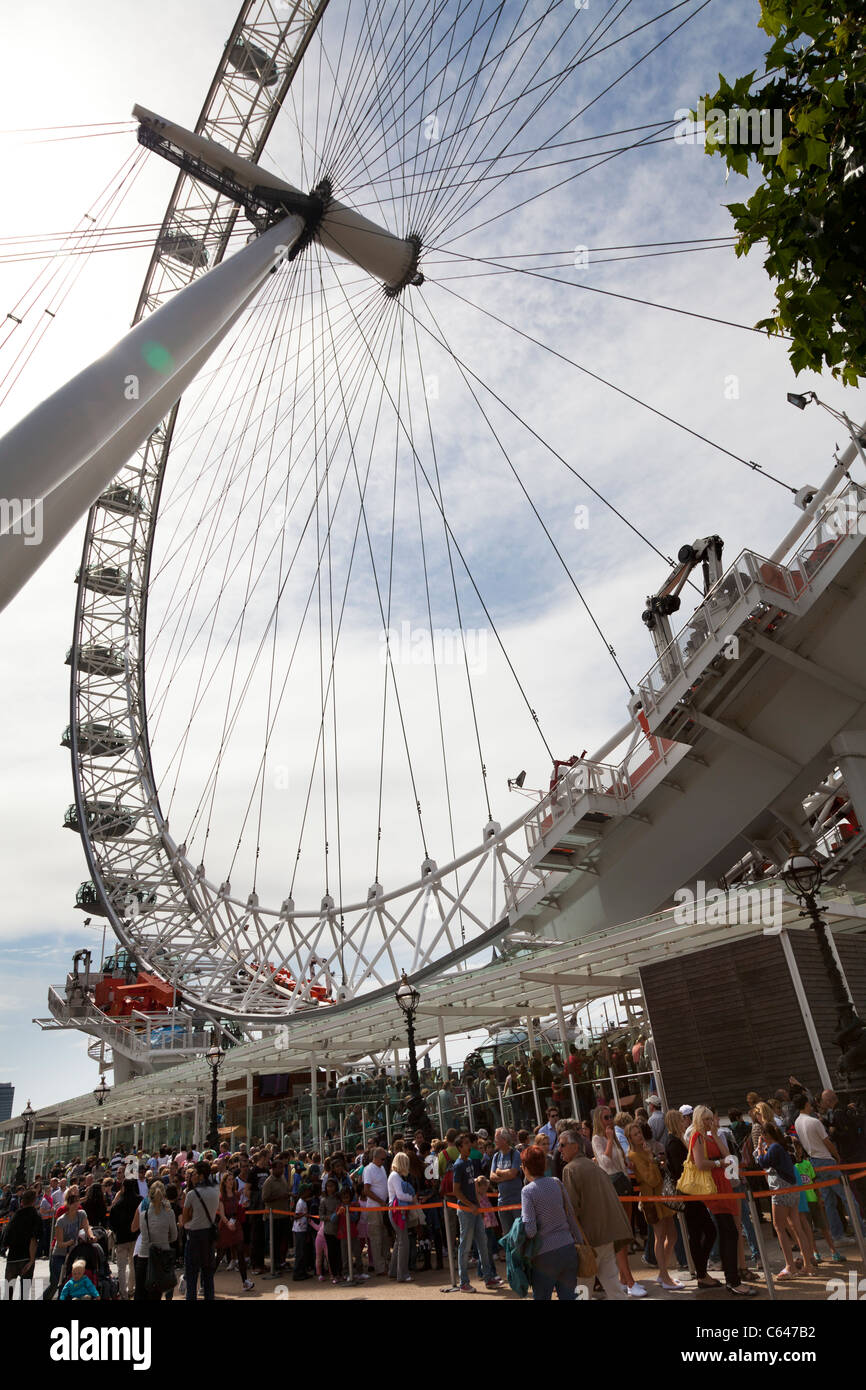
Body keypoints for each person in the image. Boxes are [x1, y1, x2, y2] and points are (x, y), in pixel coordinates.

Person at [688, 1105, 756, 1297]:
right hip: (714, 1188)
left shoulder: (709, 1136)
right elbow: (700, 1163)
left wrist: (716, 1134)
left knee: (731, 1232)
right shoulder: (697, 1137)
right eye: (707, 1119)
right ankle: (733, 1280)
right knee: (729, 1231)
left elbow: (728, 1156)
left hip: (723, 1185)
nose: (710, 1122)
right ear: (699, 1120)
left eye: (712, 1119)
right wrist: (718, 1163)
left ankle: (733, 1279)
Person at [755, 1123, 818, 1278]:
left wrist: (759, 1149)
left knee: (779, 1227)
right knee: (796, 1226)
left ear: (766, 1135)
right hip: (792, 1190)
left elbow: (763, 1162)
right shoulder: (779, 1147)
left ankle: (790, 1266)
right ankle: (807, 1265)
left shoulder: (774, 1148)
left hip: (781, 1190)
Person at [626, 1122, 684, 1291]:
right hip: (651, 1198)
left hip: (662, 1196)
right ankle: (664, 1275)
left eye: (639, 1132)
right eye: (635, 1134)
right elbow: (651, 1179)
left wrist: (656, 1161)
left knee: (672, 1235)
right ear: (630, 1138)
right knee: (660, 1236)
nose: (639, 1135)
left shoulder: (644, 1149)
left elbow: (657, 1173)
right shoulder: (634, 1155)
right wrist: (652, 1160)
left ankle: (662, 1272)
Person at [664, 1108, 718, 1289]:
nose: (684, 1121)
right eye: (680, 1119)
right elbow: (682, 1169)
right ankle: (702, 1273)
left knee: (701, 1232)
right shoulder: (674, 1143)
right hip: (688, 1193)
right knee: (704, 1231)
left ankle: (702, 1272)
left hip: (691, 1193)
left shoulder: (679, 1140)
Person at [519, 1144, 582, 1300]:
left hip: (544, 1254)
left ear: (526, 1167)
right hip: (568, 1248)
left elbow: (531, 1230)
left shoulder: (527, 1191)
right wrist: (579, 1243)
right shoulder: (556, 1182)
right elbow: (571, 1215)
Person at [453, 1133, 500, 1293]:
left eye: (468, 1143)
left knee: (483, 1243)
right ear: (460, 1147)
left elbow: (472, 1187)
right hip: (466, 1211)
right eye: (465, 1143)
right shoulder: (458, 1165)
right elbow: (456, 1191)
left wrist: (478, 1205)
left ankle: (488, 1277)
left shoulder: (471, 1162)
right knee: (465, 1247)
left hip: (475, 1209)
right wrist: (470, 1205)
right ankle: (464, 1282)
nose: (469, 1145)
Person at [132, 1181, 178, 1301]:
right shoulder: (170, 1213)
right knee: (156, 1295)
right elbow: (174, 1236)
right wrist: (163, 1239)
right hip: (162, 1257)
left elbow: (146, 1239)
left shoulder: (144, 1215)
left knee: (140, 1292)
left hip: (144, 1256)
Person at [44, 1189, 93, 1301]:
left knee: (67, 1282)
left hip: (71, 1254)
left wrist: (91, 1236)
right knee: (56, 1283)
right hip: (59, 1254)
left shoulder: (81, 1214)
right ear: (69, 1204)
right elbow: (60, 1243)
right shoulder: (61, 1220)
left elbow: (87, 1227)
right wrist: (69, 1242)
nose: (77, 1204)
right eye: (74, 1202)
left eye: (78, 1201)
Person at [180, 1161, 218, 1301]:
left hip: (195, 1234)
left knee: (192, 1274)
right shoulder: (215, 1191)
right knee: (208, 1274)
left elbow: (184, 1219)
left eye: (195, 1173)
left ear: (201, 1175)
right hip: (209, 1234)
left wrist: (192, 1215)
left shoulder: (192, 1194)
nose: (193, 1176)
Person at [216, 1172, 254, 1291]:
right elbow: (221, 1214)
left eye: (232, 1179)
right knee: (220, 1254)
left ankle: (245, 1282)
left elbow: (237, 1208)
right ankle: (204, 1282)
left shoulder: (237, 1194)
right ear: (224, 1182)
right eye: (229, 1180)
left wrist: (242, 1206)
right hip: (225, 1226)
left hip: (236, 1225)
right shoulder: (221, 1196)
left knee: (240, 1252)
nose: (231, 1182)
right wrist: (228, 1224)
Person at [3, 1188, 41, 1299]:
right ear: (34, 1201)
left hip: (13, 1258)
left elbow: (6, 1240)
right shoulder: (35, 1216)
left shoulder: (15, 1216)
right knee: (25, 1293)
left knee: (8, 1293)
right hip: (26, 1257)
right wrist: (31, 1260)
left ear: (22, 1201)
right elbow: (33, 1239)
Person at [108, 1178, 141, 1300]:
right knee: (133, 1265)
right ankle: (131, 1288)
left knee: (121, 1267)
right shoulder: (140, 1201)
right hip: (136, 1238)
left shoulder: (118, 1204)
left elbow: (112, 1223)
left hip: (121, 1239)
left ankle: (123, 1292)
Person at [387, 1151, 415, 1284]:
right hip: (397, 1212)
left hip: (395, 1211)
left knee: (399, 1242)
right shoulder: (396, 1177)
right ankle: (402, 1274)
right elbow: (400, 1195)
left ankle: (394, 1271)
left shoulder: (394, 1176)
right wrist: (412, 1198)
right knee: (404, 1242)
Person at [489, 1127, 523, 1236]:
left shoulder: (515, 1154)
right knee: (507, 1233)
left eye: (496, 1139)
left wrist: (499, 1171)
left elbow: (513, 1173)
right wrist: (505, 1175)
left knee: (519, 1233)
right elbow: (492, 1176)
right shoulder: (496, 1156)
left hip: (516, 1200)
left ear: (504, 1140)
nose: (495, 1141)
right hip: (502, 1201)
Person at [361, 1146, 389, 1276]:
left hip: (383, 1207)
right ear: (376, 1157)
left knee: (384, 1237)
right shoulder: (368, 1169)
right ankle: (379, 1267)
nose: (384, 1161)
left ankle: (385, 1263)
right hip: (374, 1207)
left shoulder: (382, 1167)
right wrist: (380, 1201)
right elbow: (366, 1190)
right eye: (382, 1159)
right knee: (376, 1238)